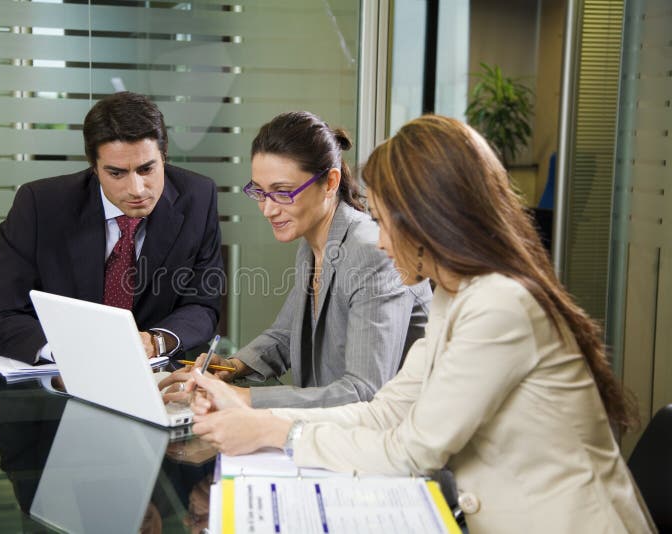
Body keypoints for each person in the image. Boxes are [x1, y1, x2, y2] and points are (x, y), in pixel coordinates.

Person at [187, 116, 655, 532]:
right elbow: (386, 412)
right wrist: (258, 419)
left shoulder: (501, 306)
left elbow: (412, 450)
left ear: (432, 222)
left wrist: (273, 431)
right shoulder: (456, 297)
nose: (382, 242)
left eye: (385, 222)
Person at [162, 111, 430, 408]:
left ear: (330, 182)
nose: (268, 210)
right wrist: (228, 367)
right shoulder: (313, 244)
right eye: (260, 193)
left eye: (282, 193)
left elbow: (364, 391)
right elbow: (286, 334)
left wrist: (241, 397)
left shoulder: (371, 252)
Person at [0, 92, 224, 364]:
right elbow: (0, 316)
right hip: (57, 380)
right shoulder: (39, 205)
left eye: (146, 169)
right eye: (116, 173)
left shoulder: (197, 198)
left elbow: (202, 304)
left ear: (164, 156)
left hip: (155, 378)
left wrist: (156, 341)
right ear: (94, 168)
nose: (136, 189)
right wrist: (69, 353)